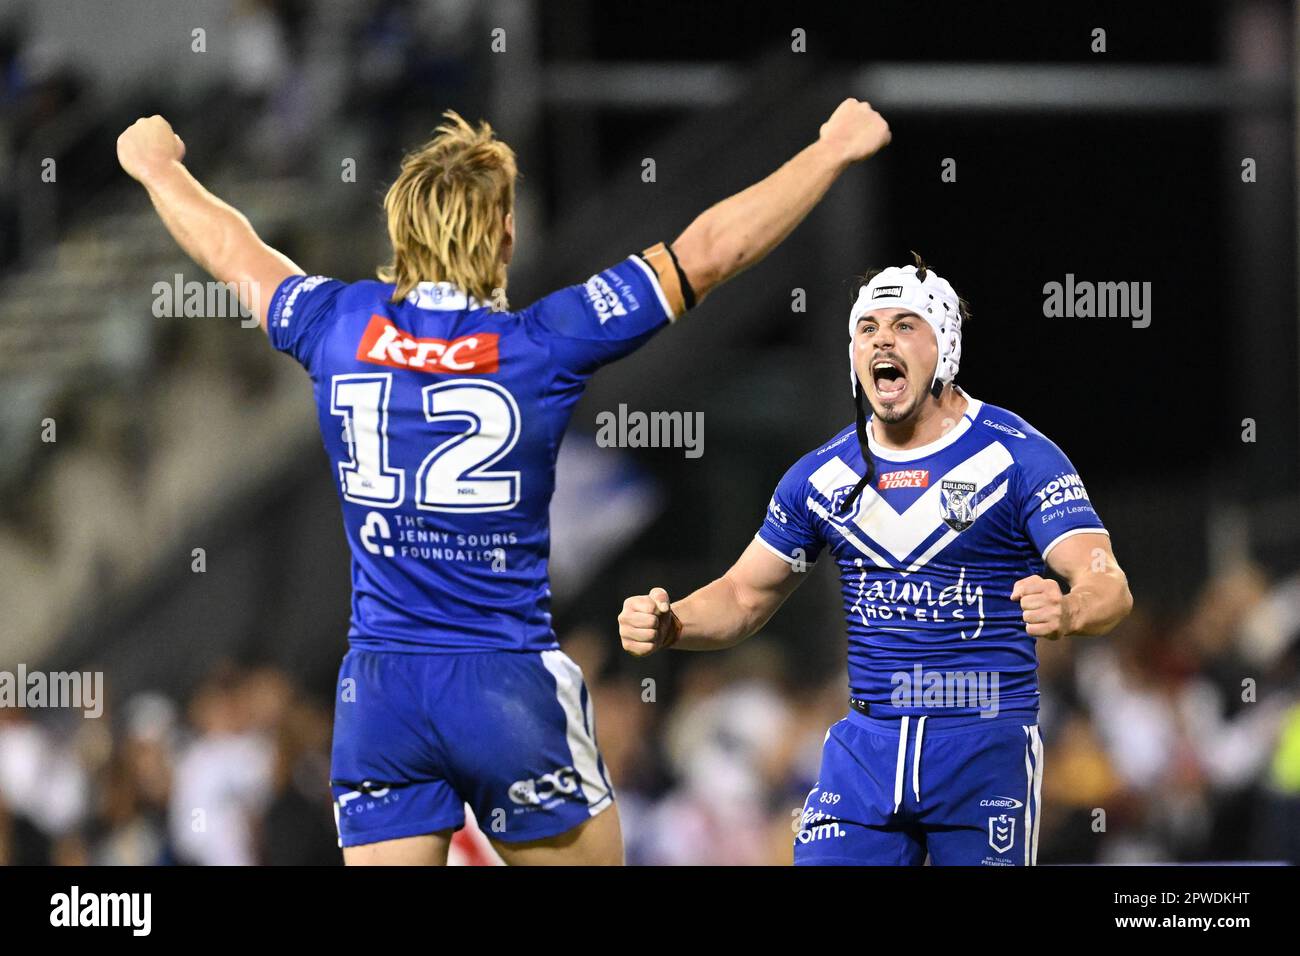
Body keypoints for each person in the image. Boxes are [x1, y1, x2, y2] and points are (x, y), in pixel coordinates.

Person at [116, 98, 892, 865]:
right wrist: (826, 152)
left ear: (402, 231)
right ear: (503, 236)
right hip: (504, 684)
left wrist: (159, 171)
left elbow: (232, 248)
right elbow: (711, 249)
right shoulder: (542, 341)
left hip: (381, 694)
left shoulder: (335, 324)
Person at [617, 255, 1133, 865]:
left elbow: (1109, 583)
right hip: (866, 748)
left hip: (983, 745)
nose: (883, 338)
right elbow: (743, 596)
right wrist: (672, 622)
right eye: (868, 328)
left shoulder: (1018, 457)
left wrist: (1071, 609)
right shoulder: (819, 476)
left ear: (946, 348)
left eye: (905, 325)